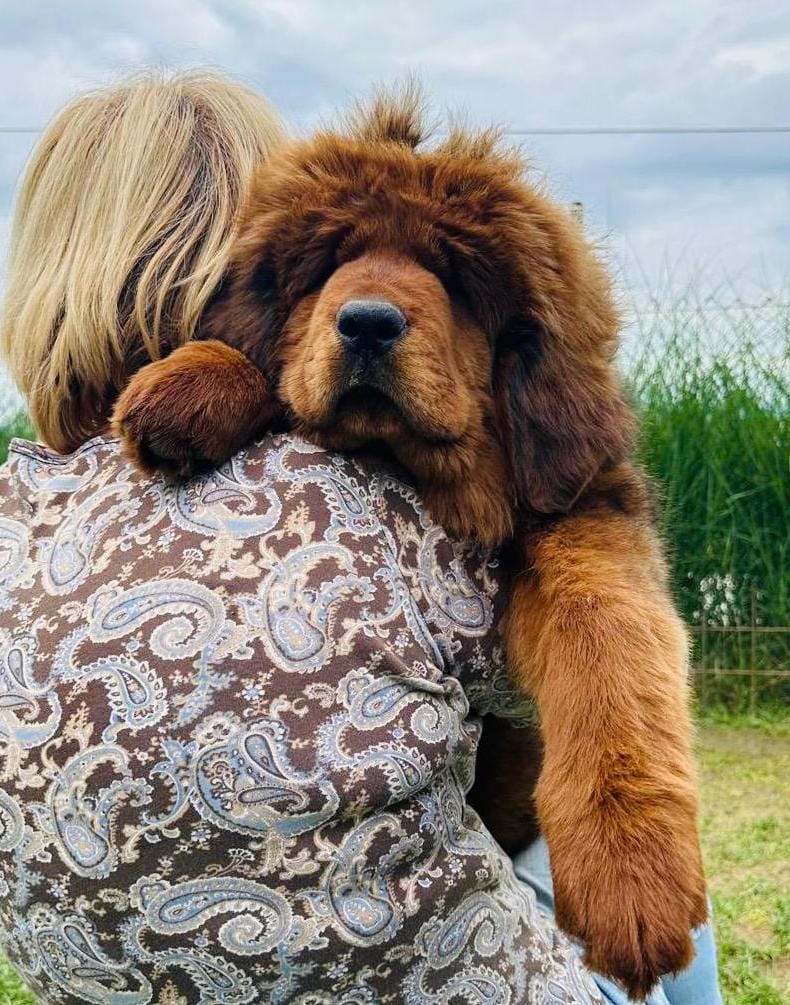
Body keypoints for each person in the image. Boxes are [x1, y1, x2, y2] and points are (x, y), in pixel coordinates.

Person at [0, 70, 721, 1005]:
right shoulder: (380, 532)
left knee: (620, 825)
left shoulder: (21, 505)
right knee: (673, 925)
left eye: (456, 281)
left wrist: (620, 779)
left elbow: (579, 528)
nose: (373, 303)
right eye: (328, 261)